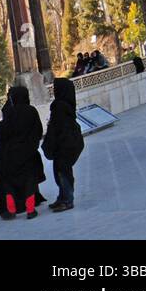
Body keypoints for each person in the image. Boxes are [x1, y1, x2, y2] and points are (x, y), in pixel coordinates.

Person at [0, 85, 47, 220]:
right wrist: (32, 145)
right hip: (28, 153)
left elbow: (4, 130)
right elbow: (38, 131)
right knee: (29, 181)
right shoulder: (31, 111)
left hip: (11, 154)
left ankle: (11, 210)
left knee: (9, 183)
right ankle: (30, 210)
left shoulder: (10, 113)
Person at [42, 77, 84, 212]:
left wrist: (50, 142)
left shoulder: (60, 106)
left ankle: (67, 200)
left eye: (55, 88)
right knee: (61, 171)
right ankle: (62, 197)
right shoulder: (66, 103)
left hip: (65, 144)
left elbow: (57, 127)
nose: (54, 91)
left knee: (63, 173)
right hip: (66, 143)